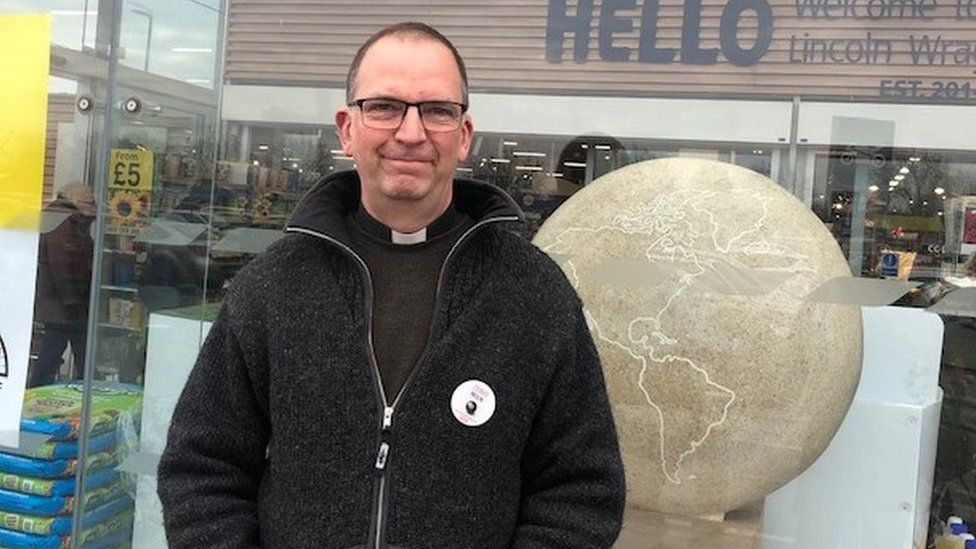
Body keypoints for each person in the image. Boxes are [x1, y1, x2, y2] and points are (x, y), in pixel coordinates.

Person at [158, 22, 625, 548]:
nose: (410, 132)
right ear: (346, 128)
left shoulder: (534, 295)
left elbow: (581, 492)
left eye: (437, 111)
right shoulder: (270, 288)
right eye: (384, 106)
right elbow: (202, 470)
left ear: (464, 135)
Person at [29, 183, 96, 387]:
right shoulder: (63, 222)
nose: (95, 208)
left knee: (61, 352)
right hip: (64, 304)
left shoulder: (67, 220)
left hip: (62, 304)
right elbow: (63, 266)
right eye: (90, 202)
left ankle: (40, 389)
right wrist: (73, 303)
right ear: (74, 201)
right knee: (62, 352)